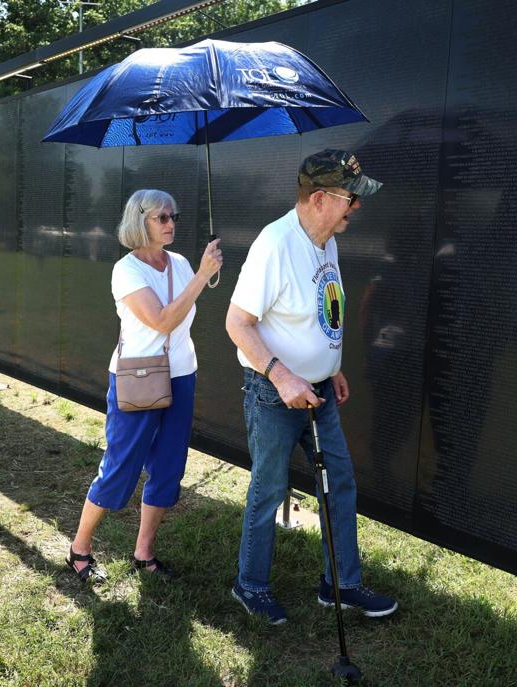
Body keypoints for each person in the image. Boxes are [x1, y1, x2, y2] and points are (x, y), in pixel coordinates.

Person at [224, 149, 398, 624]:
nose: (356, 207)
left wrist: (332, 364)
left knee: (339, 485)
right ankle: (250, 584)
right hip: (273, 394)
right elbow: (237, 323)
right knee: (268, 489)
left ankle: (340, 584)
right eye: (350, 198)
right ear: (319, 198)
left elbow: (323, 310)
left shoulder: (327, 241)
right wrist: (281, 375)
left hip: (318, 393)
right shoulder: (274, 244)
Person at [67, 189, 222, 584]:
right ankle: (80, 547)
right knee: (121, 465)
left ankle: (144, 552)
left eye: (173, 216)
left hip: (181, 374)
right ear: (140, 221)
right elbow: (163, 321)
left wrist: (200, 273)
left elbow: (184, 316)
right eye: (162, 218)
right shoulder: (127, 270)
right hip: (136, 377)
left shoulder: (182, 263)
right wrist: (203, 276)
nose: (171, 224)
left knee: (169, 467)